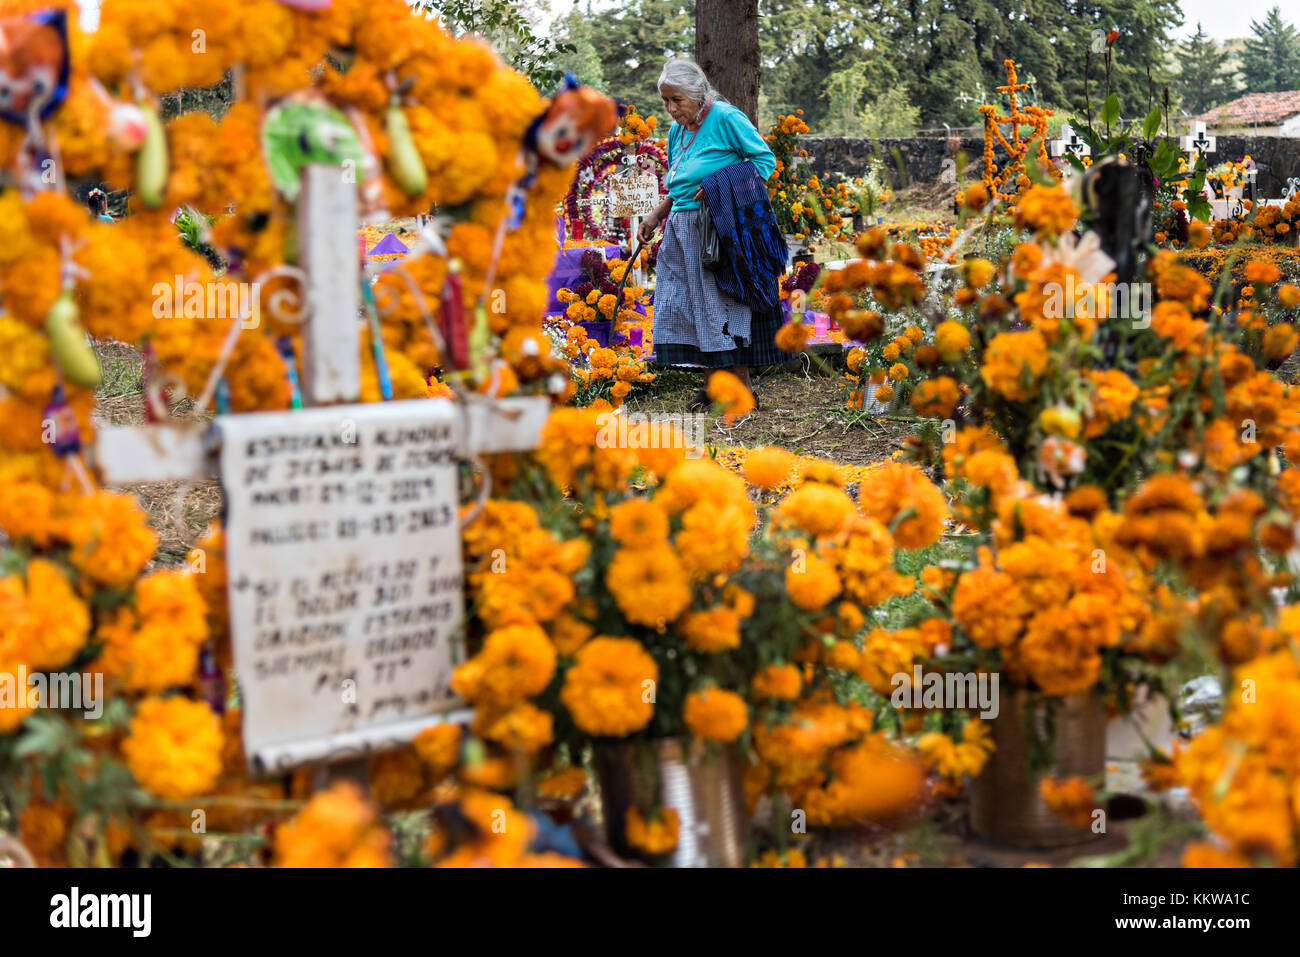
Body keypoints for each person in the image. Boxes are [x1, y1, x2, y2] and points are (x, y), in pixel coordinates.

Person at [638, 59, 780, 412]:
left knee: (726, 302)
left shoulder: (727, 119)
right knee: (691, 305)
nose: (670, 109)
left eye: (676, 101)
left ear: (698, 93)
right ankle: (712, 386)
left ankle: (742, 390)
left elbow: (764, 162)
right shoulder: (677, 131)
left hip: (722, 227)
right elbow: (680, 183)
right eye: (665, 102)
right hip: (682, 229)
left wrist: (720, 185)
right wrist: (656, 214)